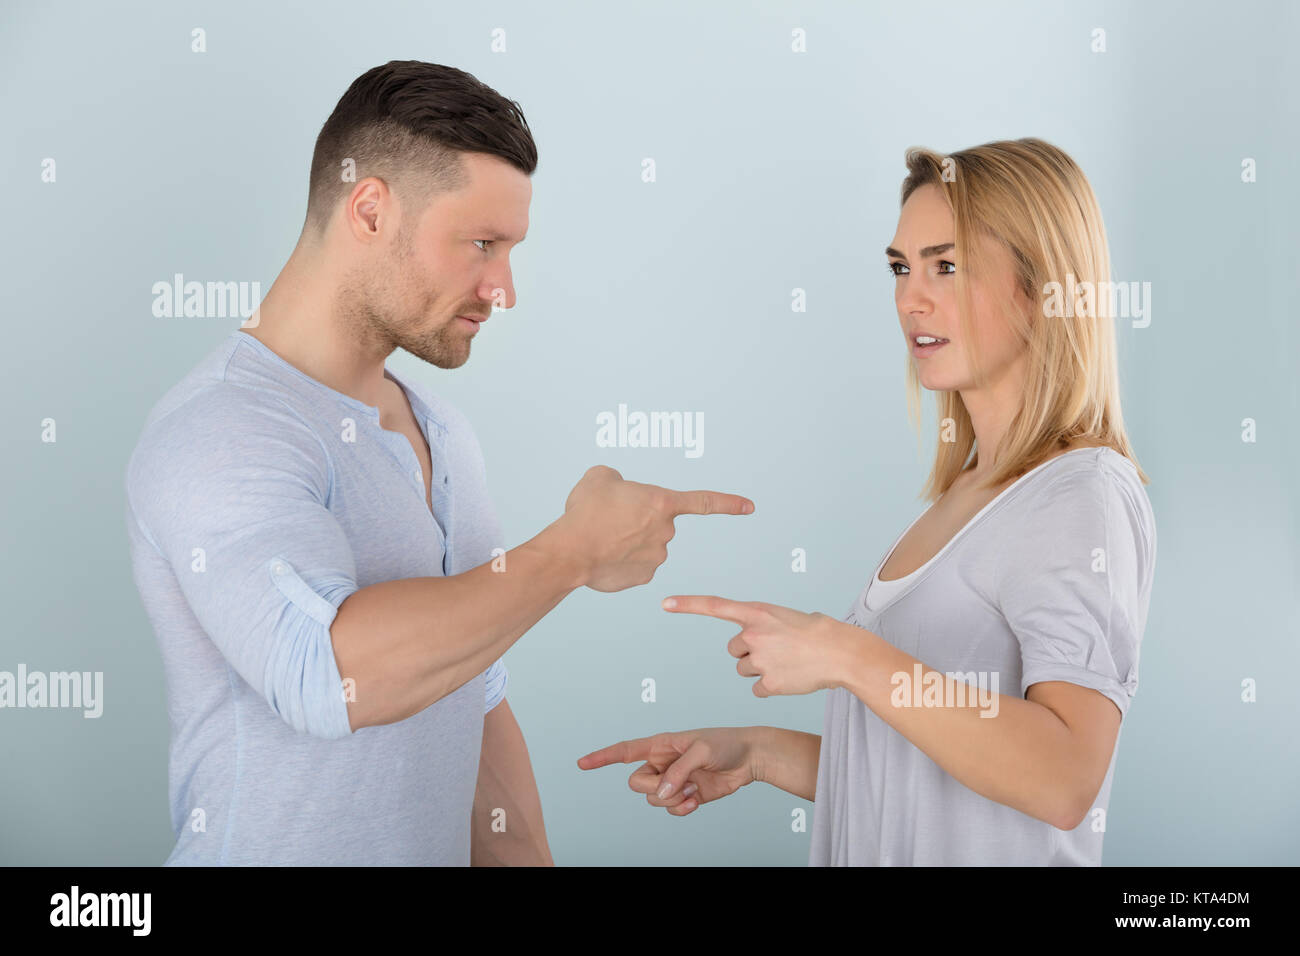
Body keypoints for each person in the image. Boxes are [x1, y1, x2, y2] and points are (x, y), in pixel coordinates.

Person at [124, 60, 753, 866]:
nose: (504, 289)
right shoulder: (222, 429)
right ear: (370, 210)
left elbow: (468, 688)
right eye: (482, 244)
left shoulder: (443, 432)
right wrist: (573, 552)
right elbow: (324, 675)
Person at [578, 138, 1157, 866]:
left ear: (1043, 285)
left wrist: (847, 654)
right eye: (900, 267)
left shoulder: (1079, 494)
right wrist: (757, 753)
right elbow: (929, 775)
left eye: (947, 266)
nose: (911, 298)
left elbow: (1063, 775)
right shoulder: (967, 494)